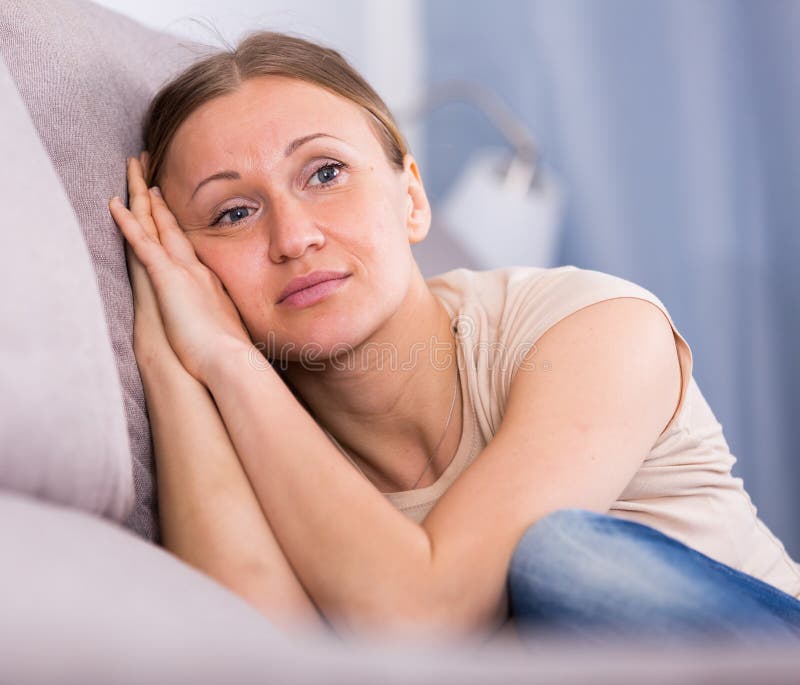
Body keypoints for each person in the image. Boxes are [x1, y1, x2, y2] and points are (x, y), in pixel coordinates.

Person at [108, 30, 800, 645]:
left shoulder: (595, 324)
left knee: (558, 557)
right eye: (232, 212)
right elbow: (261, 659)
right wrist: (175, 359)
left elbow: (424, 614)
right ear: (188, 266)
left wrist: (230, 360)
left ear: (410, 197)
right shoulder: (256, 434)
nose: (294, 237)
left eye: (325, 173)